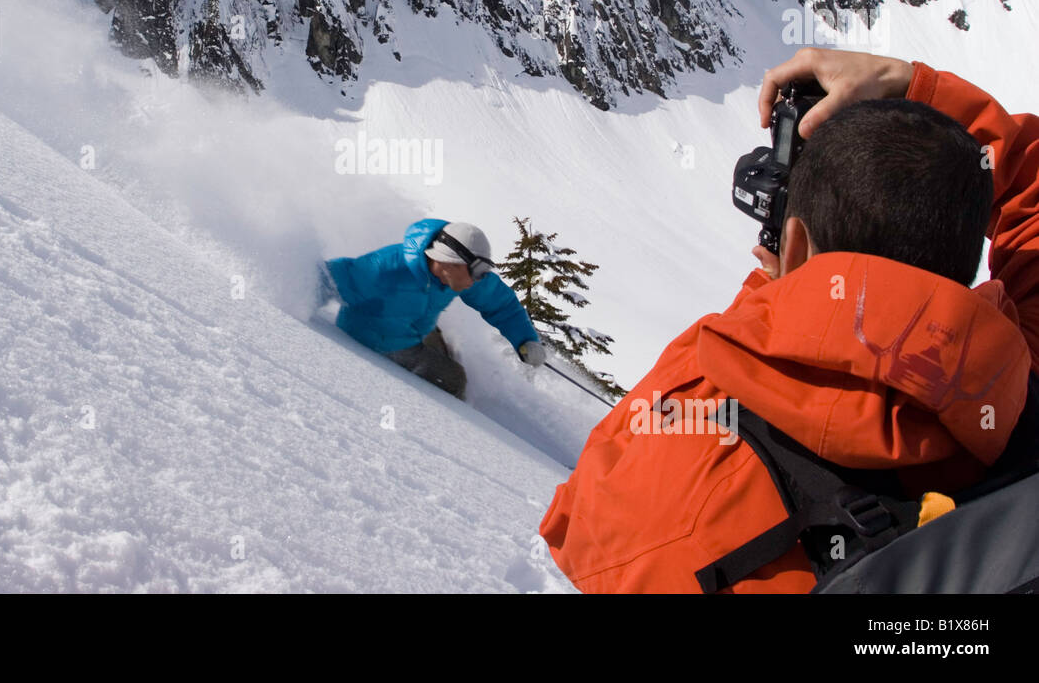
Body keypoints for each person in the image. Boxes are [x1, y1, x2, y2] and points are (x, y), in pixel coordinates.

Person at [540, 47, 1039, 592]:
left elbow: (572, 526)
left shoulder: (672, 489)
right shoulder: (1020, 393)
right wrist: (914, 88)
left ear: (795, 245)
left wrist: (776, 291)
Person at [321, 219, 545, 399]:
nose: (480, 278)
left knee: (447, 349)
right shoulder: (383, 270)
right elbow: (324, 278)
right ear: (450, 262)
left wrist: (526, 339)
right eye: (478, 270)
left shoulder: (458, 277)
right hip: (378, 344)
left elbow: (500, 302)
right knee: (454, 379)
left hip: (414, 329)